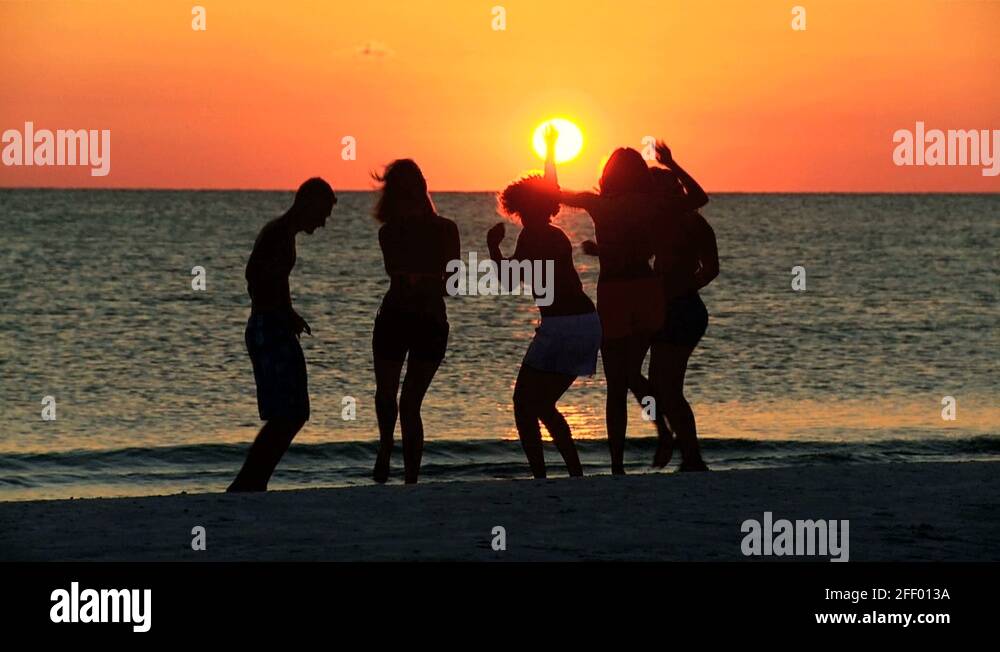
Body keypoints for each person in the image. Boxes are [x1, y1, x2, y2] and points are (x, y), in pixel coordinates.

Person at [557, 146, 704, 474]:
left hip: (615, 293)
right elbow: (698, 197)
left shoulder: (597, 203)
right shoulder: (653, 203)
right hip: (646, 291)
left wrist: (552, 151)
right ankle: (664, 433)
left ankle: (619, 466)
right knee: (630, 375)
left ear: (608, 174)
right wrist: (672, 163)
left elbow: (553, 192)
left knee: (616, 385)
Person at [487, 126, 601, 478]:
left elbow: (508, 280)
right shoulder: (549, 232)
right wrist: (550, 150)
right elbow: (550, 186)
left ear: (519, 206)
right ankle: (573, 472)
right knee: (543, 405)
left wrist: (493, 248)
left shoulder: (534, 236)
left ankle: (540, 474)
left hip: (563, 326)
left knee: (525, 404)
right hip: (583, 323)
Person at [228, 177, 336, 492]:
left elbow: (273, 279)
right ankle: (250, 481)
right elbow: (256, 275)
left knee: (291, 410)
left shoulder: (283, 235)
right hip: (267, 327)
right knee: (288, 412)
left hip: (272, 324)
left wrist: (288, 313)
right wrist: (278, 311)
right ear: (309, 204)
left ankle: (254, 480)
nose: (323, 223)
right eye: (323, 213)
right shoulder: (277, 234)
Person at [371, 159, 460, 484]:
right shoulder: (390, 232)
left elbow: (452, 283)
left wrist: (420, 280)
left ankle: (411, 477)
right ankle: (385, 447)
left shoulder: (446, 229)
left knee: (409, 403)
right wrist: (422, 278)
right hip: (395, 316)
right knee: (385, 395)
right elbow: (398, 269)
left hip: (429, 321)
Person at [647, 142, 716, 471]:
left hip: (685, 311)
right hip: (665, 310)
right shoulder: (656, 222)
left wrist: (672, 164)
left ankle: (691, 455)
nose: (656, 195)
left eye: (662, 188)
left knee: (669, 387)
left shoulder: (692, 221)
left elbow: (711, 269)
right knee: (656, 384)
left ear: (674, 191)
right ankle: (676, 443)